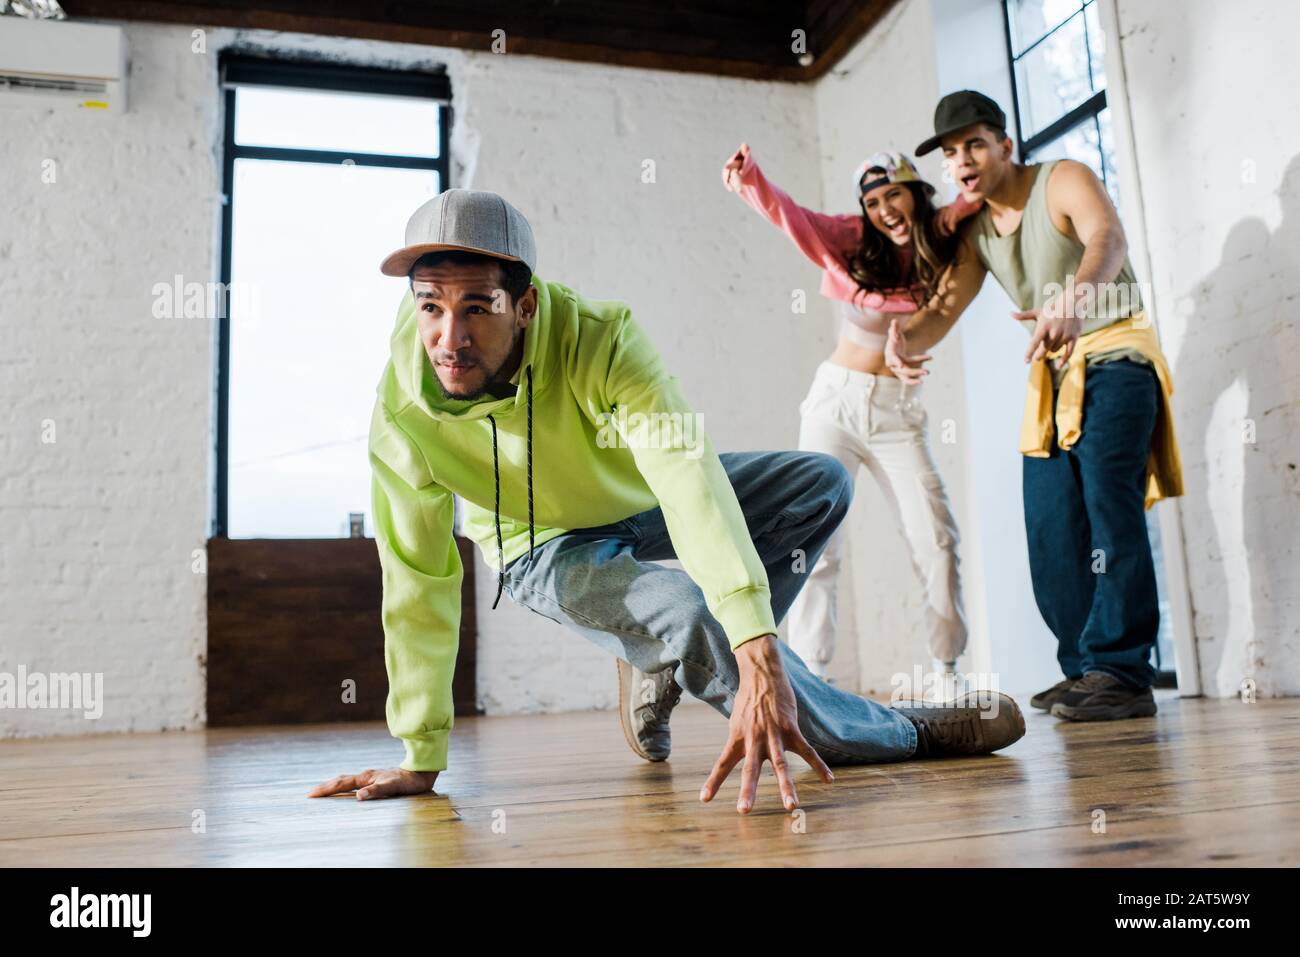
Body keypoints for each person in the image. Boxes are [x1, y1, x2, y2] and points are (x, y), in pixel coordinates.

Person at [309, 188, 1025, 813]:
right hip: (539, 547)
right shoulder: (403, 410)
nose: (450, 336)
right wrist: (420, 750)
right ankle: (906, 730)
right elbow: (417, 576)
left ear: (525, 304)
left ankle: (672, 658)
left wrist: (754, 636)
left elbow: (688, 475)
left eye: (478, 307)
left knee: (819, 484)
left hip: (638, 499)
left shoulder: (602, 340)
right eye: (430, 306)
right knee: (690, 613)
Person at [886, 91, 1183, 721]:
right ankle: (1084, 669)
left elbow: (1108, 237)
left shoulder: (1063, 179)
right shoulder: (977, 233)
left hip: (1116, 355)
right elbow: (942, 310)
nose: (961, 160)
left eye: (972, 144)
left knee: (1109, 506)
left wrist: (1073, 302)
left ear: (1003, 145)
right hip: (1054, 378)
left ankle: (1124, 672)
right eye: (949, 153)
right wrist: (901, 336)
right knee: (1050, 526)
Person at [721, 143, 976, 681]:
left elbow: (980, 200)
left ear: (916, 194)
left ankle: (947, 668)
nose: (886, 209)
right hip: (834, 403)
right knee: (815, 543)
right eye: (875, 201)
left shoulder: (943, 239)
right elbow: (793, 219)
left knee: (937, 537)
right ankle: (811, 676)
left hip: (897, 415)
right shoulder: (853, 239)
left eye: (895, 195)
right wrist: (752, 178)